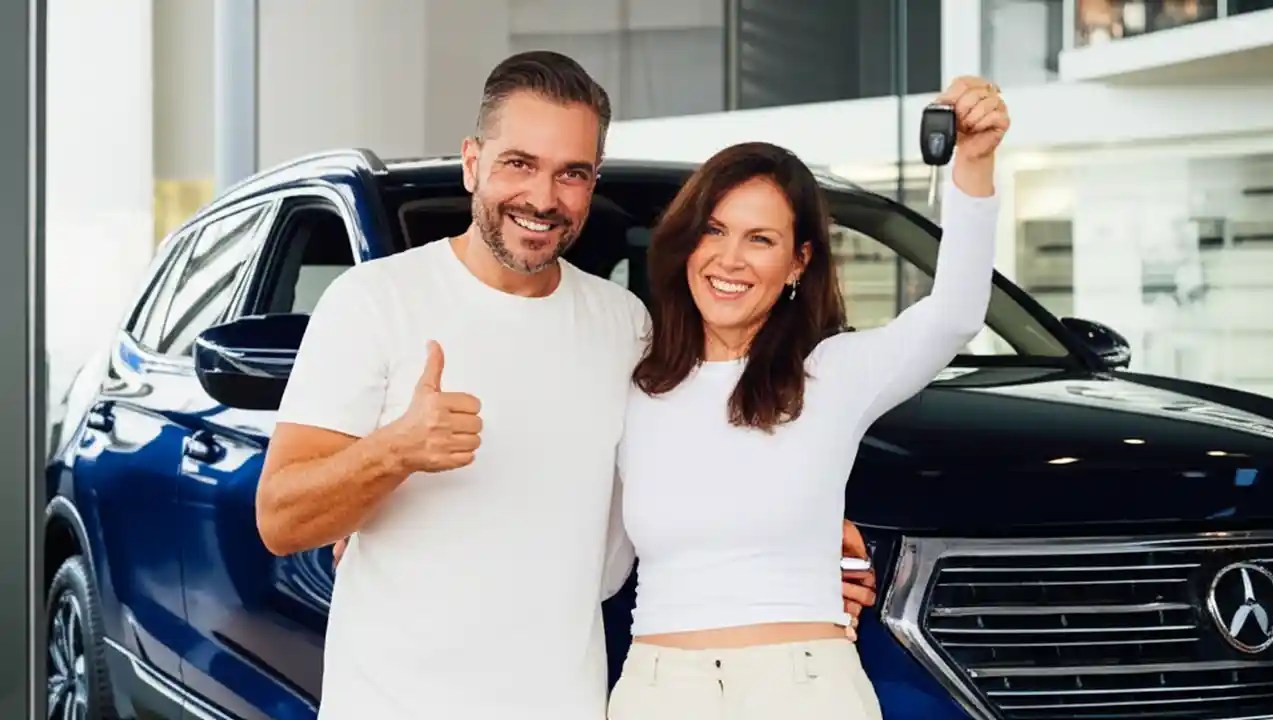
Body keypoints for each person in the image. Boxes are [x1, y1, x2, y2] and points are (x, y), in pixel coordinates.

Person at [255, 50, 875, 720]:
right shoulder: (375, 302)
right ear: (473, 162)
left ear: (591, 182)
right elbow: (281, 520)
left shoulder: (626, 328)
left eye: (571, 174)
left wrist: (801, 538)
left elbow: (698, 458)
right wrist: (393, 452)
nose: (543, 199)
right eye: (519, 163)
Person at [607, 77, 1009, 720]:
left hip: (803, 688)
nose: (729, 259)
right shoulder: (630, 379)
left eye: (760, 239)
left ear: (798, 263)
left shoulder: (832, 375)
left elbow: (955, 313)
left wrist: (976, 162)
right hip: (659, 689)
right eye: (714, 231)